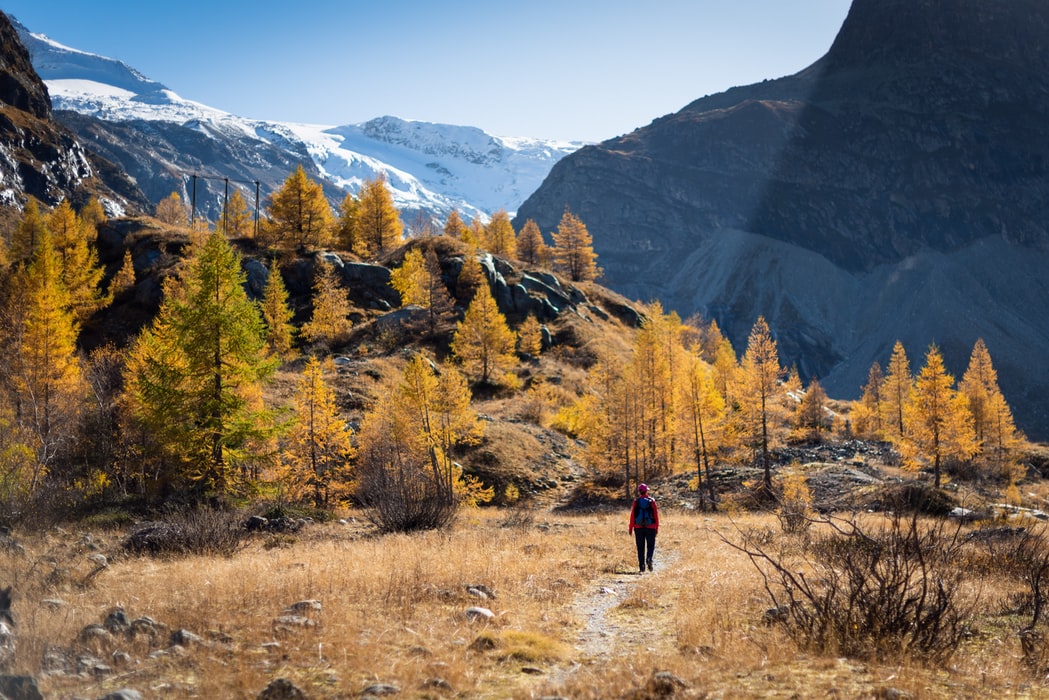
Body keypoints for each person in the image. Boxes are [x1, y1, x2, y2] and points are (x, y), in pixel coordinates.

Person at [628, 483, 659, 572]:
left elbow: (632, 515)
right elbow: (656, 516)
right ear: (646, 491)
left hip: (638, 527)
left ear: (639, 491)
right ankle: (649, 558)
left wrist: (631, 528)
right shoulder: (651, 501)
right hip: (651, 527)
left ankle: (642, 567)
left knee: (640, 547)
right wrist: (656, 527)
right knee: (651, 545)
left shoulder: (636, 501)